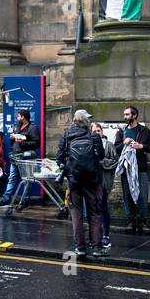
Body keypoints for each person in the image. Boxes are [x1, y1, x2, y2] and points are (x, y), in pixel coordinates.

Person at [58, 108, 106, 258]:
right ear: (86, 122)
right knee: (94, 213)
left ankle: (80, 248)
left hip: (75, 181)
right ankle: (96, 247)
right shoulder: (94, 137)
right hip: (92, 181)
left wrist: (68, 167)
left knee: (76, 214)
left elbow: (59, 158)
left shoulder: (66, 136)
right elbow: (101, 157)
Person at [118, 105, 150, 234]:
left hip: (140, 169)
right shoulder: (121, 131)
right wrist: (123, 143)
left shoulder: (144, 130)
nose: (125, 117)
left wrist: (140, 146)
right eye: (124, 115)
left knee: (142, 196)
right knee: (127, 196)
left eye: (127, 114)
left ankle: (142, 222)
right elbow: (115, 149)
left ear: (134, 115)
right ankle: (130, 221)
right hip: (126, 170)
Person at [0, 109, 40, 208]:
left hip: (26, 157)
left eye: (18, 116)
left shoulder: (33, 128)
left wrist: (23, 142)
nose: (17, 118)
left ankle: (24, 201)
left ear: (23, 117)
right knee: (12, 178)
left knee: (26, 180)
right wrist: (12, 139)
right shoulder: (16, 127)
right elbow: (13, 142)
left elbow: (37, 143)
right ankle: (6, 199)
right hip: (15, 157)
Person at [92, 122, 119, 250]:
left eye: (98, 130)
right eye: (94, 131)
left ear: (102, 131)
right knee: (92, 209)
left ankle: (106, 234)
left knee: (103, 207)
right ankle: (95, 234)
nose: (96, 133)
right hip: (92, 182)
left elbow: (115, 160)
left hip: (104, 181)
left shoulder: (109, 145)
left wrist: (102, 162)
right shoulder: (89, 145)